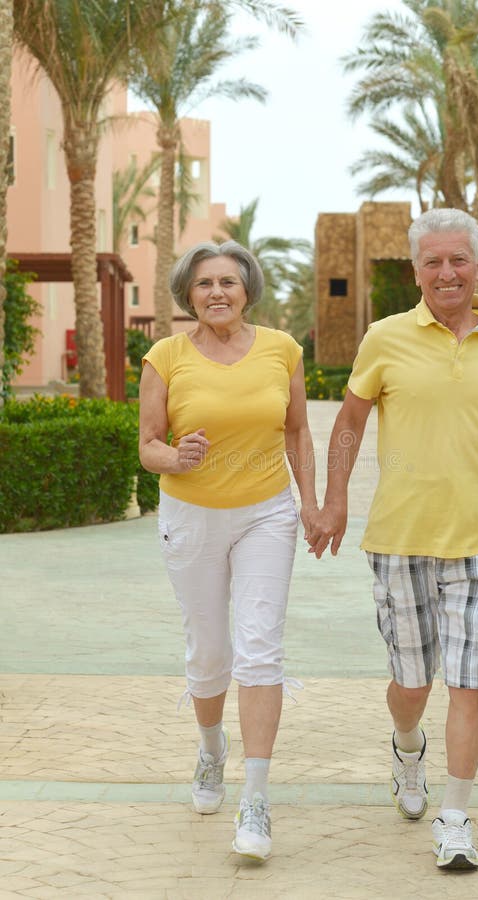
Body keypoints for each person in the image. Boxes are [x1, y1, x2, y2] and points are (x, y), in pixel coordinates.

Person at [309, 208, 478, 870]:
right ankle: (407, 748)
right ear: (414, 270)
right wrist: (331, 501)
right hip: (401, 536)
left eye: (457, 260)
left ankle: (456, 815)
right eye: (433, 262)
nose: (446, 272)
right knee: (411, 681)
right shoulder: (384, 338)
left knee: (472, 681)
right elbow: (350, 421)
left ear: (477, 265)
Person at [138, 240, 317, 861]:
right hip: (190, 517)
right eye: (205, 283)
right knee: (209, 650)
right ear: (189, 294)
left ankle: (257, 799)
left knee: (260, 648)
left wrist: (312, 502)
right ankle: (211, 750)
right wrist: (175, 455)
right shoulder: (165, 357)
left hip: (267, 512)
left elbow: (297, 429)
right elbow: (148, 446)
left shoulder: (282, 350)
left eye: (229, 283)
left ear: (248, 290)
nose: (217, 292)